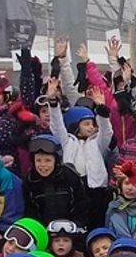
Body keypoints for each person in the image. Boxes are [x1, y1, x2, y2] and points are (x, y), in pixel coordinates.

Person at [43, 85, 115, 228]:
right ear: (74, 124)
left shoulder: (97, 142)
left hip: (96, 189)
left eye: (93, 124)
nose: (91, 128)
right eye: (86, 124)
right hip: (72, 187)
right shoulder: (67, 141)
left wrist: (102, 111)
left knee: (97, 221)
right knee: (76, 221)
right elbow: (57, 125)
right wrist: (53, 102)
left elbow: (107, 132)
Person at [24, 135, 89, 228]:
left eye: (48, 160)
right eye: (38, 160)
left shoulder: (70, 176)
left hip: (70, 230)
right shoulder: (30, 181)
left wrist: (76, 225)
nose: (43, 165)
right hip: (43, 231)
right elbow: (30, 211)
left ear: (56, 160)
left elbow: (82, 205)